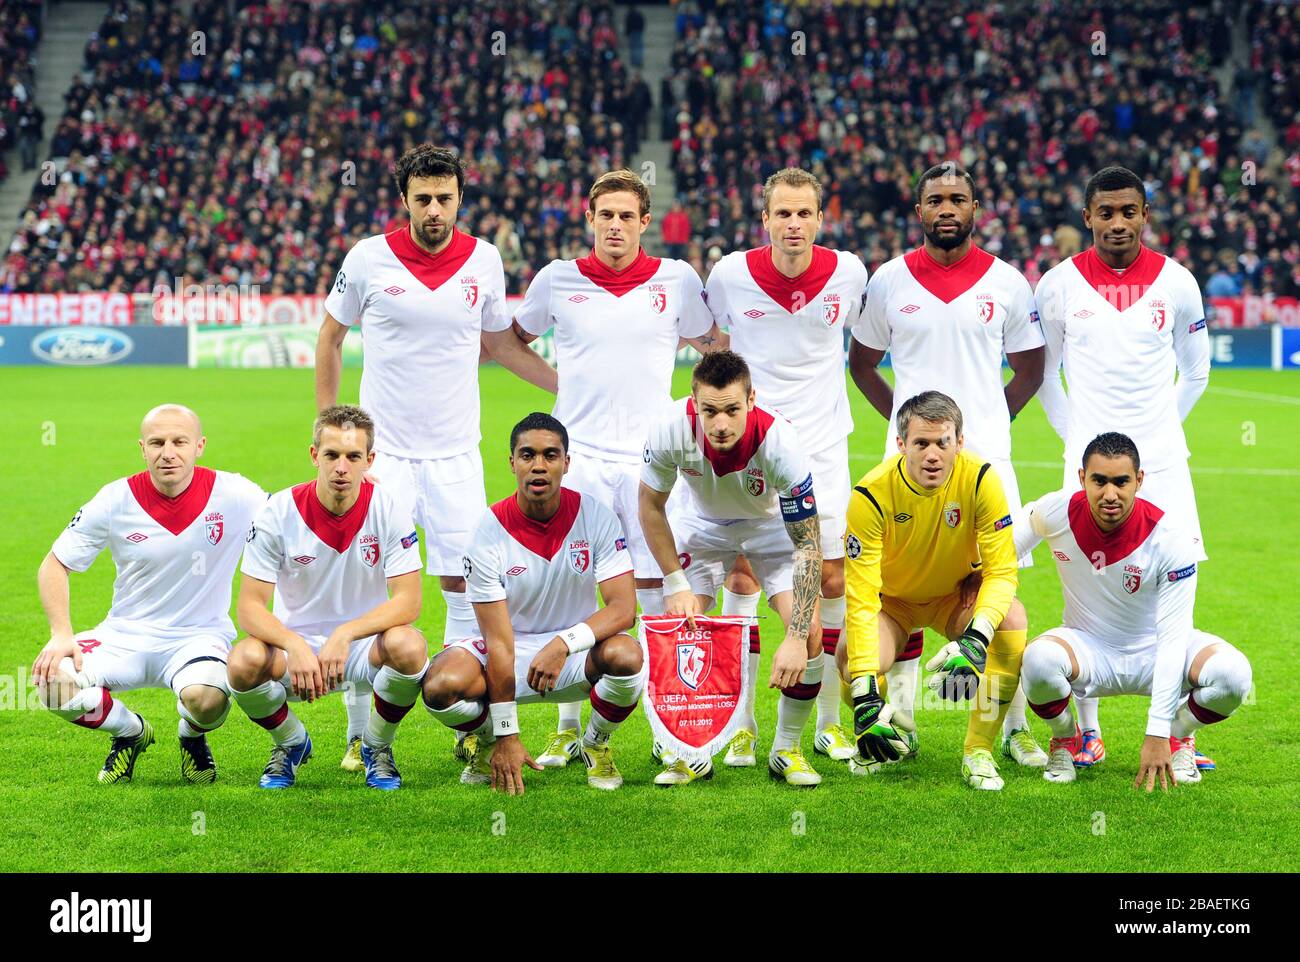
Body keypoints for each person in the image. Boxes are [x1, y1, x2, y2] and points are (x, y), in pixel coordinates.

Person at [317, 143, 554, 773]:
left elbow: (500, 345)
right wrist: (329, 421)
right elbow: (331, 337)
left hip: (456, 456)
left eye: (444, 198)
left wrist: (570, 389)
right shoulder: (368, 257)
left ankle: (464, 719)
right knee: (376, 588)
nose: (433, 209)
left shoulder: (483, 259)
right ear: (404, 200)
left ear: (459, 199)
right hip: (386, 455)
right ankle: (358, 731)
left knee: (464, 583)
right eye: (422, 198)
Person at [512, 168, 722, 766]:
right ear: (589, 217)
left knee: (660, 593)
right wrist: (564, 388)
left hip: (652, 462)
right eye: (605, 215)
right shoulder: (557, 280)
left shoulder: (677, 280)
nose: (615, 225)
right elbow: (505, 341)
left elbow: (716, 347)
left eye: (627, 216)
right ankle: (568, 728)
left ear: (644, 222)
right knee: (578, 589)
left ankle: (668, 733)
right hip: (578, 461)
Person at [847, 162, 1047, 769]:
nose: (947, 208)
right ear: (919, 209)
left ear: (975, 206)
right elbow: (861, 365)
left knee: (999, 597)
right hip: (906, 472)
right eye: (935, 199)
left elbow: (1032, 369)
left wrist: (981, 433)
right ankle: (898, 718)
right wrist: (907, 433)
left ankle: (1013, 729)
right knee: (894, 592)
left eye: (957, 198)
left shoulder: (1009, 282)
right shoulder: (887, 281)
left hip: (987, 472)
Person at [1035, 165, 1211, 769]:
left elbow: (1196, 371)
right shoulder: (1056, 285)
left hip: (1163, 463)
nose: (1117, 223)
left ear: (1145, 215)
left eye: (1128, 211)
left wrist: (1158, 436)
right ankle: (1088, 729)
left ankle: (1180, 731)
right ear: (1087, 217)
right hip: (1087, 466)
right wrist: (1079, 443)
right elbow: (1043, 376)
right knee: (1082, 582)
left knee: (1179, 581)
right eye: (1104, 212)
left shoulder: (1179, 283)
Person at [703, 167, 869, 768]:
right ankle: (742, 723)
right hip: (752, 447)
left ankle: (825, 722)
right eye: (783, 213)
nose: (793, 224)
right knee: (744, 580)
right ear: (765, 217)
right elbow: (712, 344)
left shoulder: (849, 272)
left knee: (827, 581)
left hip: (823, 448)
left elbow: (863, 340)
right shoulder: (729, 275)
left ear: (820, 218)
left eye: (804, 213)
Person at [32, 405, 265, 784]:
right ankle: (130, 731)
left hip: (197, 637)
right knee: (51, 683)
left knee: (207, 702)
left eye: (179, 442)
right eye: (157, 443)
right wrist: (61, 634)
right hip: (123, 635)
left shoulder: (236, 494)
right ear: (143, 448)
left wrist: (357, 483)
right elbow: (54, 563)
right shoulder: (114, 499)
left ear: (200, 446)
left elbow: (295, 516)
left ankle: (191, 735)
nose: (167, 452)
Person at [421, 413, 644, 794]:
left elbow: (624, 609)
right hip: (504, 648)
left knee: (627, 655)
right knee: (440, 686)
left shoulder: (596, 517)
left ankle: (595, 742)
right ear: (512, 463)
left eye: (550, 455)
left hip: (572, 653)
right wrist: (509, 734)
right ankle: (488, 741)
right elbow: (499, 642)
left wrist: (562, 645)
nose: (538, 465)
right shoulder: (487, 531)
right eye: (527, 455)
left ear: (566, 463)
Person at [1015, 433, 1251, 789]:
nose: (1110, 494)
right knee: (1036, 662)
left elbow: (1173, 639)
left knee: (1234, 676)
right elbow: (1003, 554)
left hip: (1156, 650)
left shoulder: (1170, 537)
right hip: (1087, 648)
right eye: (1099, 481)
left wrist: (1158, 731)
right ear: (1082, 478)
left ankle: (1179, 735)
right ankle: (1067, 738)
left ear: (1139, 480)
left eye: (1121, 481)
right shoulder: (1055, 511)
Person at [639, 350, 825, 786]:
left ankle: (786, 749)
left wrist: (795, 637)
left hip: (770, 527)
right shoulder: (669, 429)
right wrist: (675, 580)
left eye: (731, 410)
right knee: (678, 625)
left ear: (752, 400)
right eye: (709, 411)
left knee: (811, 629)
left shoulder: (781, 443)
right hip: (701, 526)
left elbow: (809, 547)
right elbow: (649, 505)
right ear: (693, 402)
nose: (721, 423)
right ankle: (690, 751)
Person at [228, 406, 428, 791]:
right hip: (297, 651)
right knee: (242, 662)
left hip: (361, 647)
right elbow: (250, 607)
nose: (342, 467)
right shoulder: (277, 512)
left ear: (369, 460)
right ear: (314, 455)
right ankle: (290, 743)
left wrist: (346, 634)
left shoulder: (388, 507)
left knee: (410, 645)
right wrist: (293, 643)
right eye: (332, 455)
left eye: (354, 457)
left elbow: (409, 602)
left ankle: (376, 746)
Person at [842, 391, 1027, 790]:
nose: (932, 455)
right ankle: (891, 723)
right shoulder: (870, 495)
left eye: (942, 442)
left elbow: (1002, 572)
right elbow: (860, 597)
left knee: (1012, 619)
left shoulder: (980, 479)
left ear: (959, 443)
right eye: (920, 443)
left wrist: (976, 641)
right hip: (893, 605)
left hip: (953, 598)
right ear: (900, 444)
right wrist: (863, 694)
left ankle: (978, 752)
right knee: (851, 660)